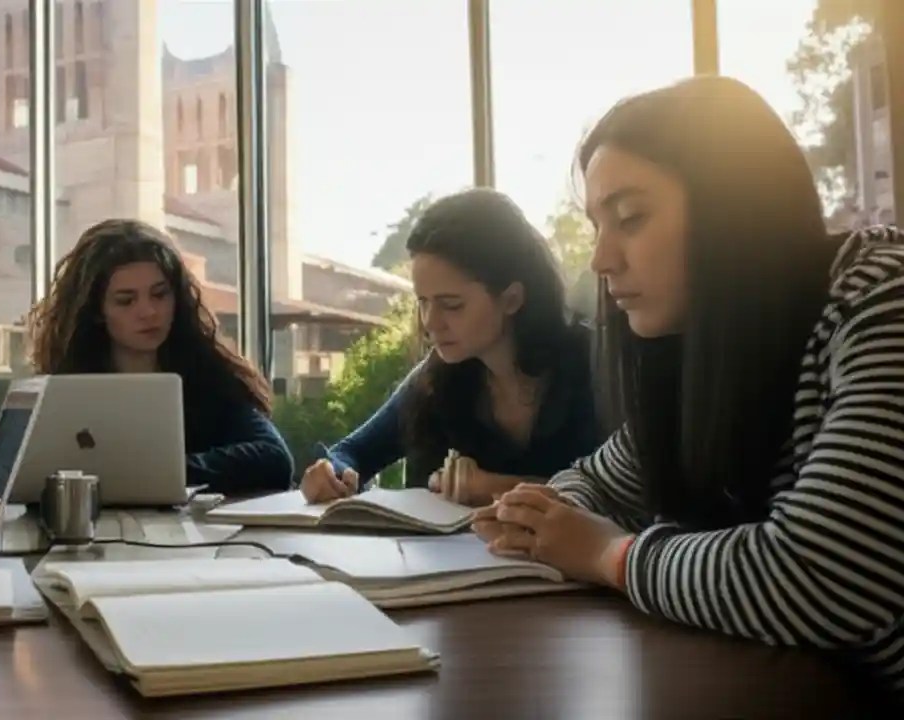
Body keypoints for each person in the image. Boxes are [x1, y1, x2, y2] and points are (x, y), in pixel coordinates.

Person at [474, 76, 904, 704]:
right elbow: (589, 484)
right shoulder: (701, 347)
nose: (600, 260)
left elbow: (824, 578)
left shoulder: (879, 306)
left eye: (630, 218)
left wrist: (609, 556)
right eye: (597, 225)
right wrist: (547, 520)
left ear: (736, 207)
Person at [299, 188, 599, 505]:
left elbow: (627, 498)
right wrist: (332, 474)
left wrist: (500, 487)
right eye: (423, 303)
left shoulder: (594, 366)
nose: (430, 322)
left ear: (512, 298)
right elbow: (352, 452)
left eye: (451, 305)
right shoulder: (438, 376)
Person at [27, 218, 293, 495]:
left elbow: (275, 458)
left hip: (190, 534)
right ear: (96, 311)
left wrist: (165, 474)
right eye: (126, 300)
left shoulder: (206, 375)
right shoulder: (65, 386)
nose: (148, 312)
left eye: (159, 294)